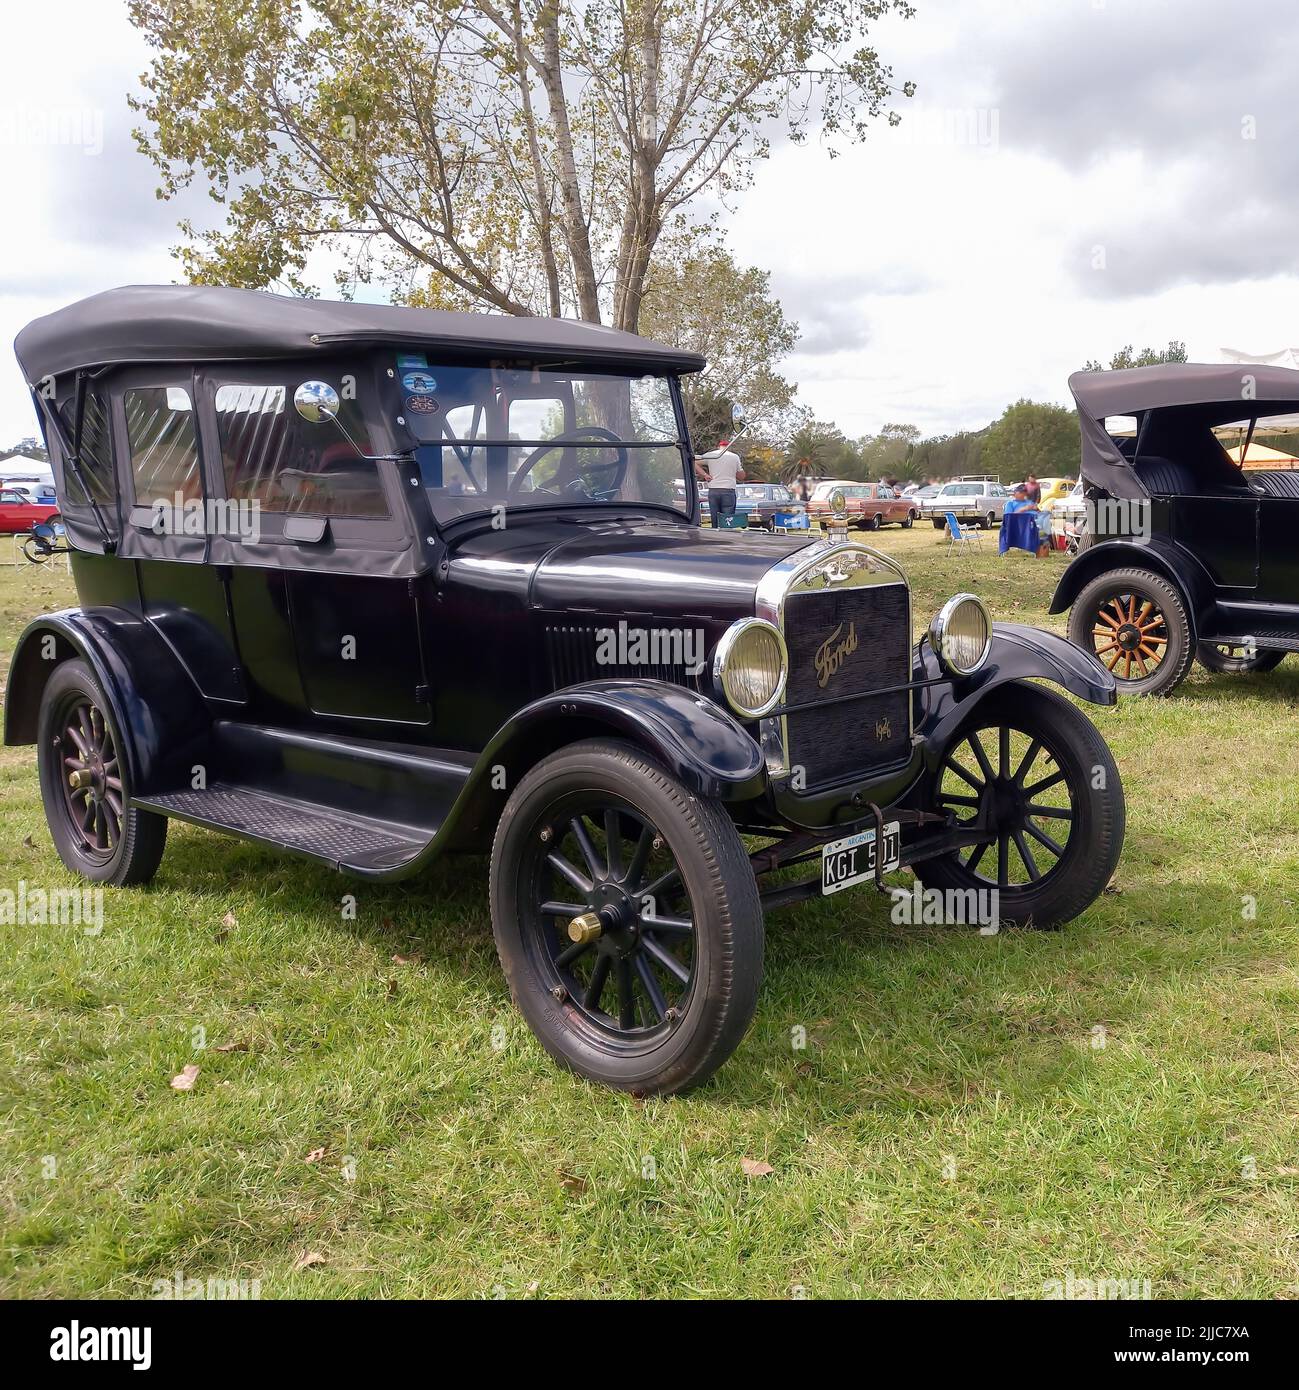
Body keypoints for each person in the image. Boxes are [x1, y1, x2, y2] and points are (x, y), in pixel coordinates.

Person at [694, 439, 745, 523]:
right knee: (727, 520)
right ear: (729, 447)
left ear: (718, 447)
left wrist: (704, 475)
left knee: (715, 518)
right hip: (728, 490)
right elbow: (741, 476)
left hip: (713, 490)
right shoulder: (734, 457)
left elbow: (694, 461)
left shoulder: (711, 455)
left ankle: (715, 533)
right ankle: (725, 534)